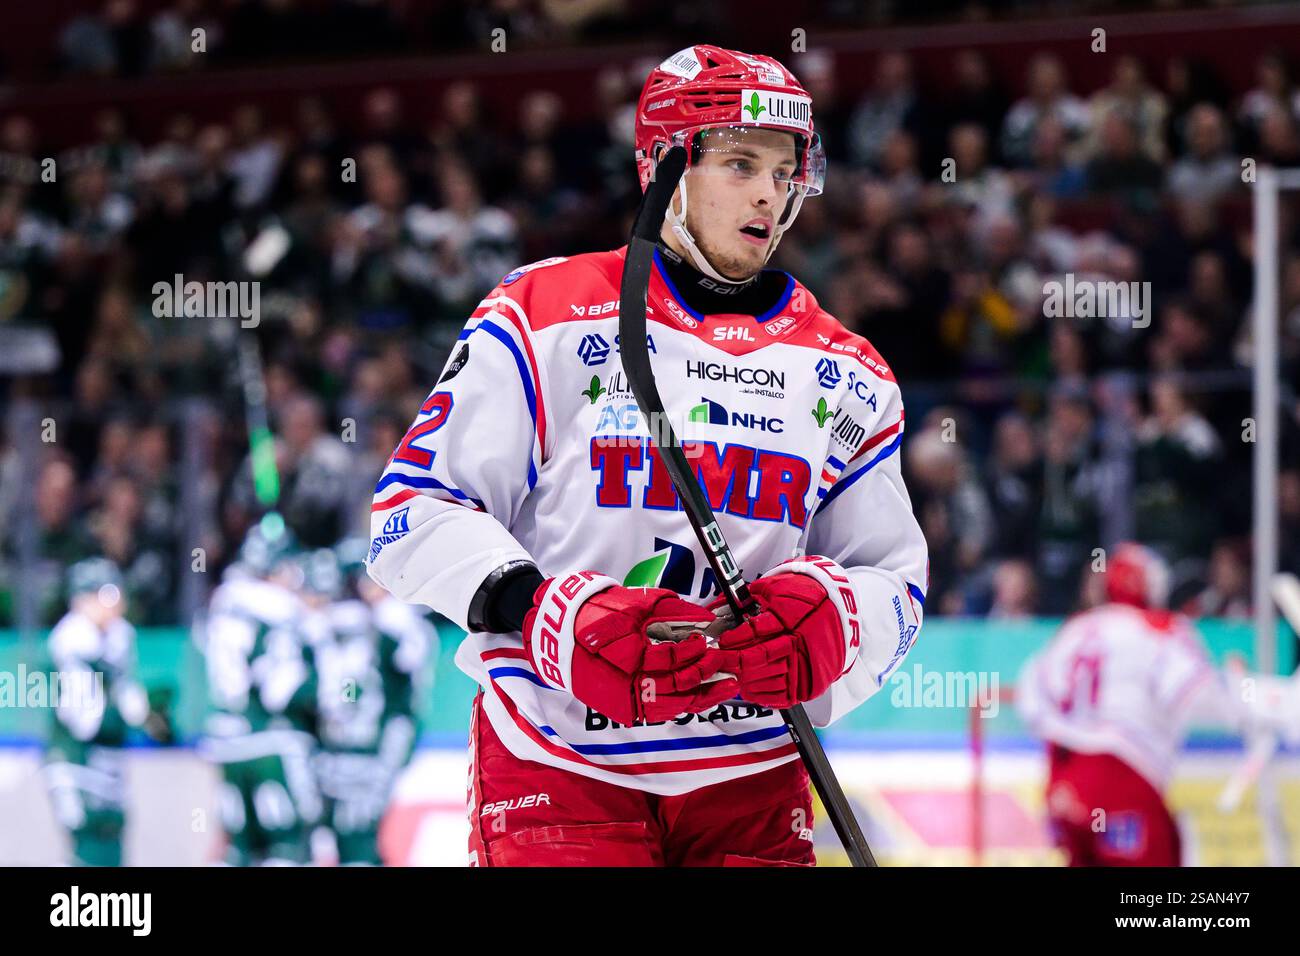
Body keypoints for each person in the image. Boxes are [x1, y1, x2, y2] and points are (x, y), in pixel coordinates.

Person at [366, 45, 929, 867]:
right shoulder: (543, 313)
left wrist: (837, 620)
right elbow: (407, 518)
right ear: (664, 167)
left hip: (755, 780)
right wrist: (544, 613)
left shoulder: (849, 371)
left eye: (782, 172)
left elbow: (893, 582)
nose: (769, 194)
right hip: (559, 767)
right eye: (740, 163)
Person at [1017, 542, 1298, 866]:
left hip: (1063, 786)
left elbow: (1032, 699)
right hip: (1121, 780)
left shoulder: (1073, 630)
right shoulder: (1158, 628)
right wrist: (1264, 698)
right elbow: (1203, 695)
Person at [200, 515, 321, 865]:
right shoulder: (282, 611)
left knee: (239, 846)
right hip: (271, 741)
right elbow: (280, 690)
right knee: (287, 843)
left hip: (226, 740)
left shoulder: (222, 601)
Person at [305, 541, 432, 865]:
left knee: (351, 837)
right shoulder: (387, 622)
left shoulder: (377, 622)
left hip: (355, 741)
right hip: (369, 740)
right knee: (356, 838)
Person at [44, 557, 167, 866]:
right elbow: (87, 720)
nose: (116, 605)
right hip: (77, 759)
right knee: (90, 849)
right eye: (105, 596)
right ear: (83, 599)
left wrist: (148, 716)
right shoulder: (72, 641)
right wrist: (136, 712)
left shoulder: (117, 638)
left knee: (113, 846)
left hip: (107, 762)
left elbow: (124, 691)